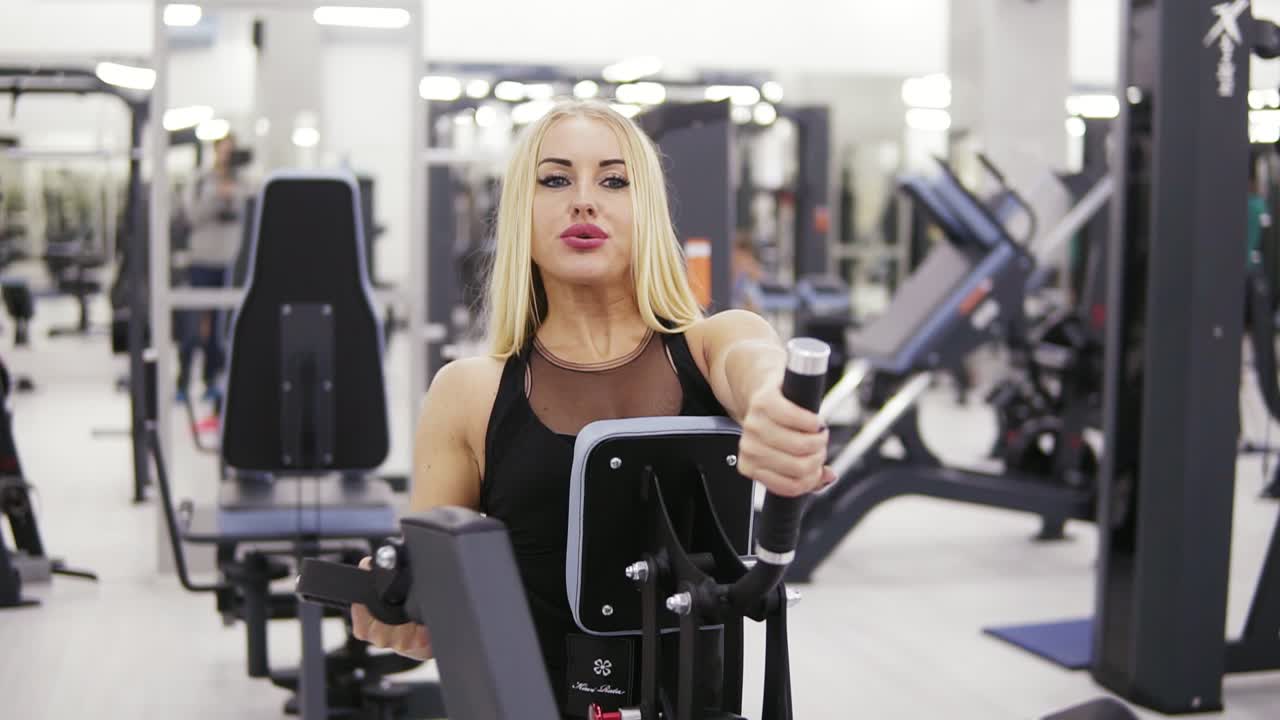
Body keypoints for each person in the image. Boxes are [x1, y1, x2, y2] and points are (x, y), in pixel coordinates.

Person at [351, 100, 832, 717]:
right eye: (555, 180)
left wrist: (770, 408)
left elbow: (755, 362)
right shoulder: (468, 392)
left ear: (647, 212)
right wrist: (403, 612)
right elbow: (432, 602)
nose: (583, 201)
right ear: (522, 212)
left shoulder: (712, 346)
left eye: (613, 180)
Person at [177, 132, 246, 405]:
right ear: (216, 151)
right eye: (223, 150)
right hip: (201, 260)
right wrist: (217, 196)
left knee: (219, 329)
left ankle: (212, 381)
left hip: (228, 261)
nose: (226, 156)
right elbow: (192, 215)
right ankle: (183, 383)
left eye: (231, 151)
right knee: (193, 326)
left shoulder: (243, 183)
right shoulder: (200, 180)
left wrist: (232, 194)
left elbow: (246, 212)